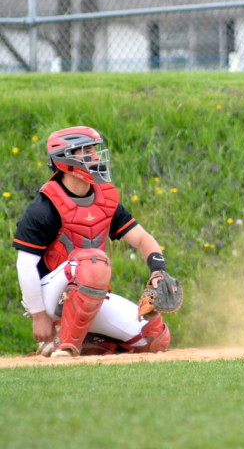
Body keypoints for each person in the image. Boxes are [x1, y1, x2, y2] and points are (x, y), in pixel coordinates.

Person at [12, 126, 173, 358]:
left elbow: (141, 238)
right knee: (92, 261)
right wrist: (38, 316)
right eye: (86, 151)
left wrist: (158, 271)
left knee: (154, 337)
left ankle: (87, 339)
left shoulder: (104, 199)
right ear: (65, 159)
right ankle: (65, 346)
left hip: (89, 292)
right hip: (50, 297)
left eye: (95, 150)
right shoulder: (44, 207)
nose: (96, 156)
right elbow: (25, 265)